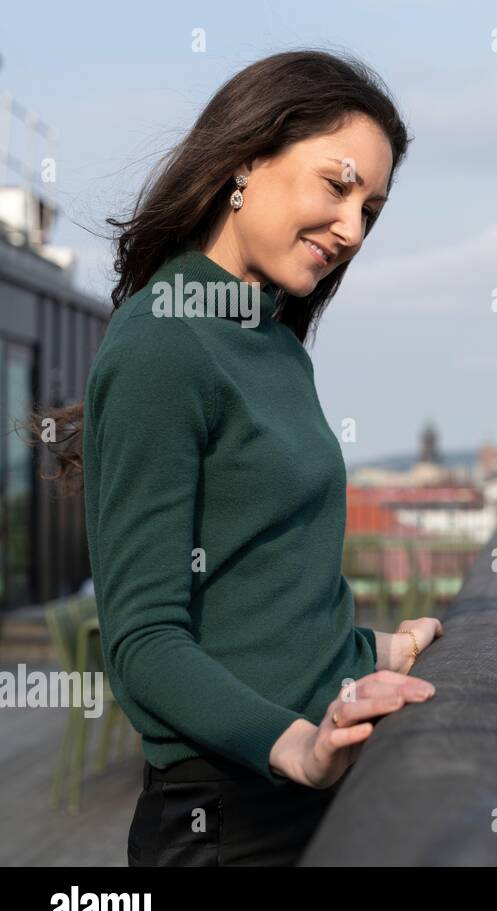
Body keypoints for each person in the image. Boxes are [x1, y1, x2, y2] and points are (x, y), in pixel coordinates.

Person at [24, 49, 440, 866]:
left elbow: (266, 593)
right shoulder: (162, 348)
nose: (354, 230)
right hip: (228, 821)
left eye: (373, 210)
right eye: (338, 185)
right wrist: (295, 746)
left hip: (310, 790)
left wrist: (373, 651)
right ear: (246, 162)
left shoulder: (273, 343)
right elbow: (142, 642)